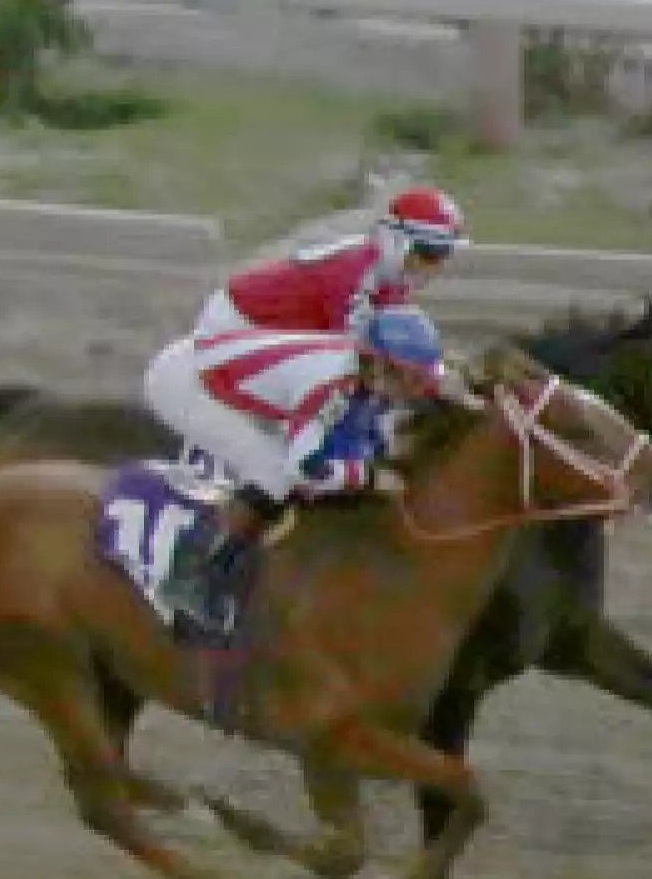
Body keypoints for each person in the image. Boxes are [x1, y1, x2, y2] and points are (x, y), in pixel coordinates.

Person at [139, 306, 454, 639]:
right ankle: (188, 576)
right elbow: (304, 469)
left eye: (419, 378)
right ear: (377, 364)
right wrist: (368, 477)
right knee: (273, 473)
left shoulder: (365, 371)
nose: (415, 390)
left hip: (216, 367)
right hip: (184, 384)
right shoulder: (330, 383)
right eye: (409, 378)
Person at [188, 186, 468, 345]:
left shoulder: (388, 278)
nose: (434, 267)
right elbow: (352, 347)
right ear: (396, 241)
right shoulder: (353, 272)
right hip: (238, 323)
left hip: (274, 331)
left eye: (443, 256)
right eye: (430, 253)